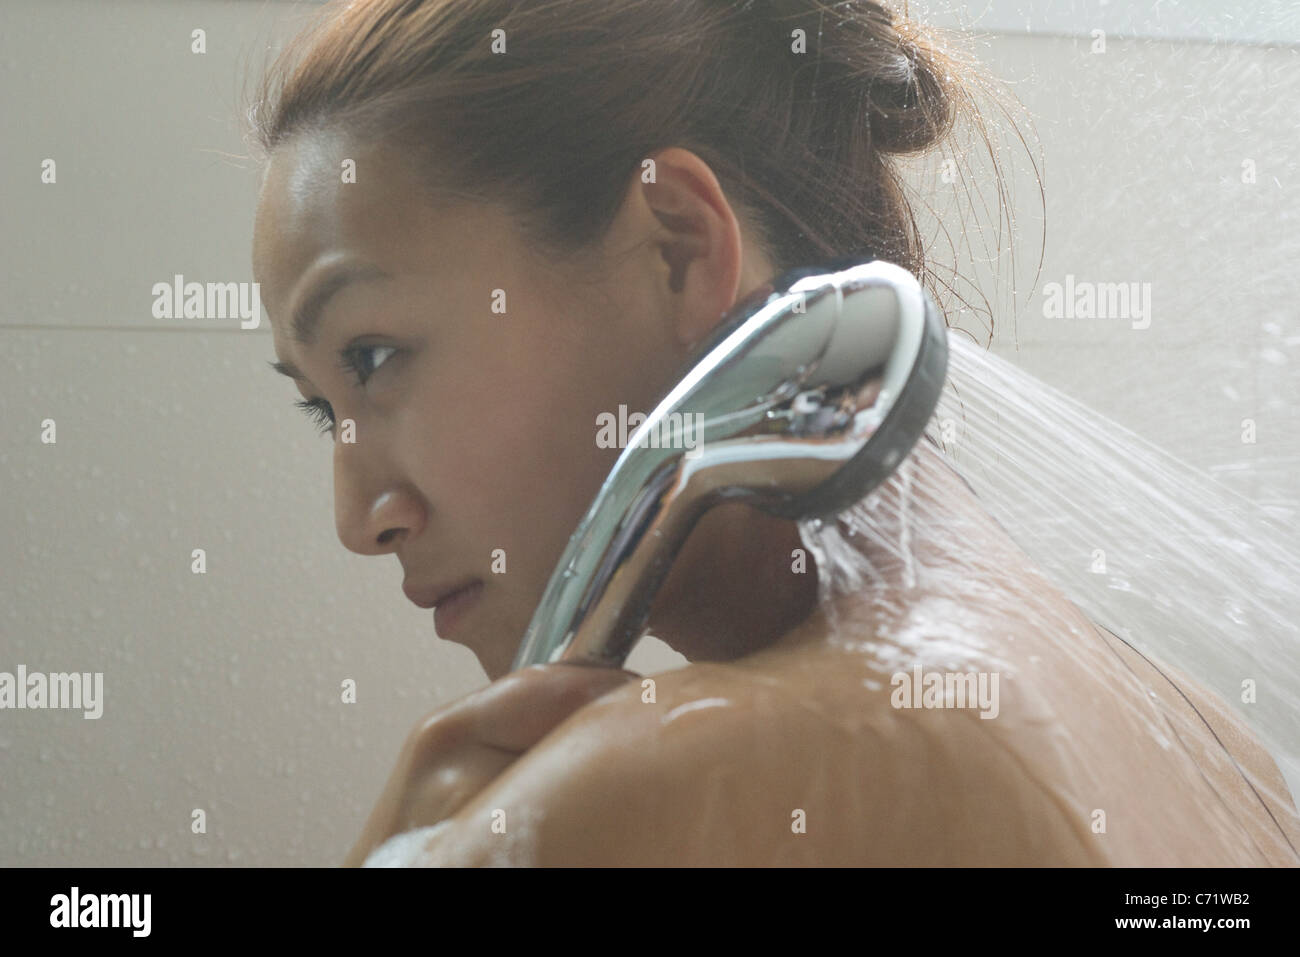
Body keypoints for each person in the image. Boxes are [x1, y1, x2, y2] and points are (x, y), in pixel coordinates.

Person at [247, 0, 1300, 865]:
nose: (359, 518)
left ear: (675, 246)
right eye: (320, 406)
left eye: (375, 359)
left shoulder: (661, 790)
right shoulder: (1209, 738)